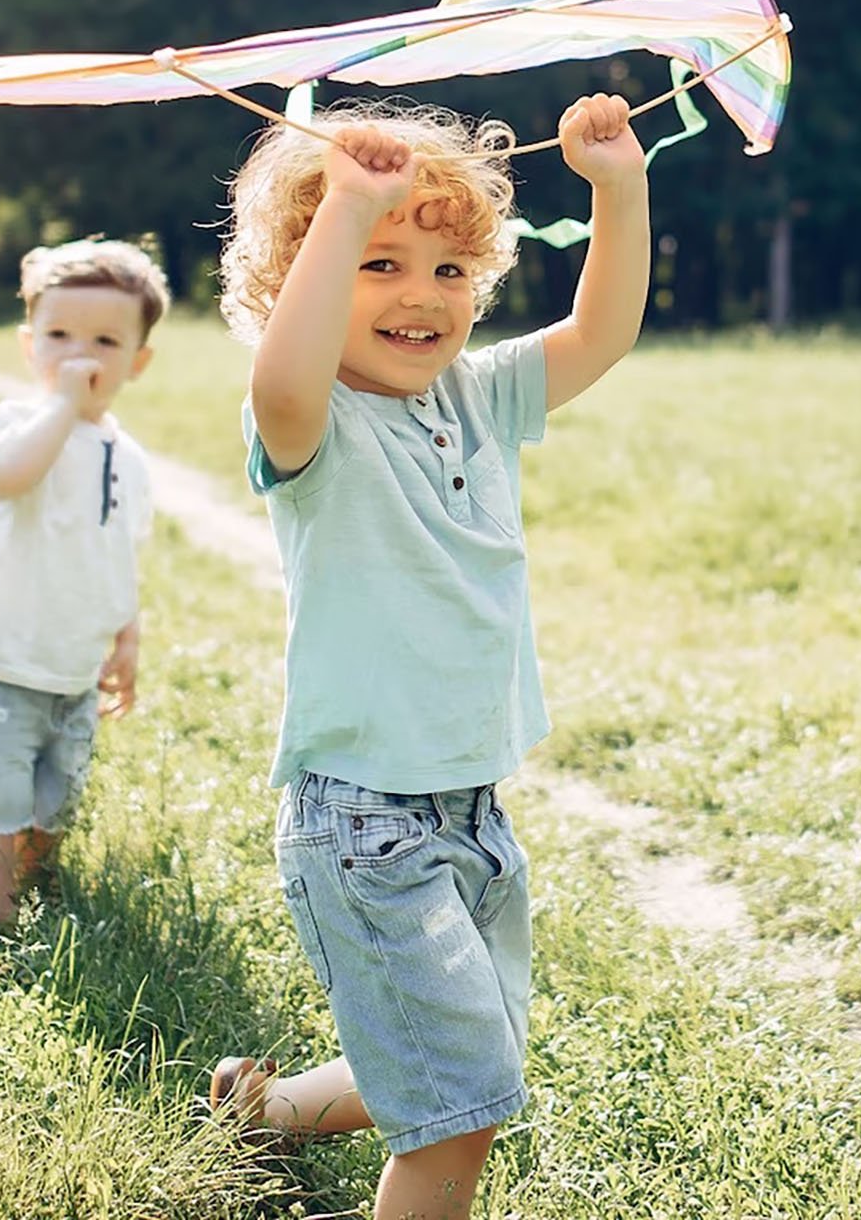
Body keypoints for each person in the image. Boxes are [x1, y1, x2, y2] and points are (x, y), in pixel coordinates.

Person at [207, 93, 648, 1220]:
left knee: (468, 1055)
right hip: (364, 826)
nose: (420, 295)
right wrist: (345, 205)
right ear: (297, 279)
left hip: (468, 810)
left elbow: (600, 333)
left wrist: (617, 186)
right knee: (459, 1110)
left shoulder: (479, 397)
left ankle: (256, 1112)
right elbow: (282, 379)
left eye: (449, 271)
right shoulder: (314, 424)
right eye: (378, 262)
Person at [0, 239, 167, 925]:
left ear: (138, 361)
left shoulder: (130, 459)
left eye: (103, 340)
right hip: (0, 664)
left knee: (54, 803)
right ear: (28, 344)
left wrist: (127, 637)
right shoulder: (16, 424)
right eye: (59, 336)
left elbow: (122, 553)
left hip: (73, 675)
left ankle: (39, 887)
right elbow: (6, 478)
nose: (79, 356)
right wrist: (64, 408)